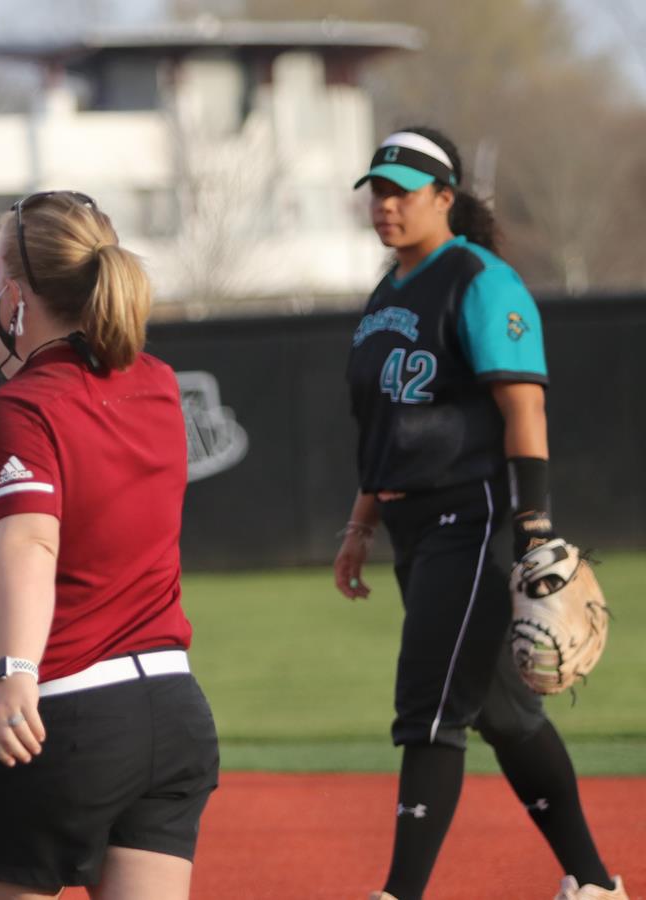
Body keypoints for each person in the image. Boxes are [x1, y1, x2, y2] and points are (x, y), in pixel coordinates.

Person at [336, 127, 628, 900]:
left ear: (446, 198)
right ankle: (595, 884)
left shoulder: (479, 281)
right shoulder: (386, 294)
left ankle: (400, 893)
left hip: (475, 518)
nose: (386, 204)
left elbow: (522, 410)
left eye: (403, 190)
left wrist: (534, 526)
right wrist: (359, 525)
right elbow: (382, 427)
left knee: (430, 707)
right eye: (378, 190)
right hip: (411, 523)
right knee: (505, 712)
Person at [0, 191, 218, 900]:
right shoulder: (156, 384)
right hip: (172, 714)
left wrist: (15, 671)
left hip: (60, 715)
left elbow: (27, 541)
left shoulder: (13, 411)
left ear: (20, 293)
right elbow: (58, 378)